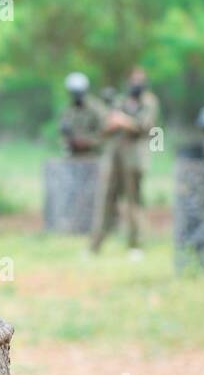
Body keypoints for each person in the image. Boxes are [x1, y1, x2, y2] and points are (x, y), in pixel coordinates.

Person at [90, 67, 159, 258]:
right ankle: (95, 245)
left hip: (135, 158)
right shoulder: (121, 100)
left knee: (133, 202)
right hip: (114, 156)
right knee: (105, 199)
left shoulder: (149, 101)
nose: (136, 83)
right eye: (133, 79)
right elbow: (105, 127)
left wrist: (124, 121)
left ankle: (135, 244)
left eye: (140, 79)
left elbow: (146, 127)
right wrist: (112, 122)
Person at [59, 72, 104, 157]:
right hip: (74, 155)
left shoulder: (97, 108)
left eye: (78, 92)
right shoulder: (67, 111)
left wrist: (89, 142)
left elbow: (104, 130)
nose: (76, 96)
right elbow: (63, 134)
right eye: (74, 93)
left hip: (95, 154)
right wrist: (71, 142)